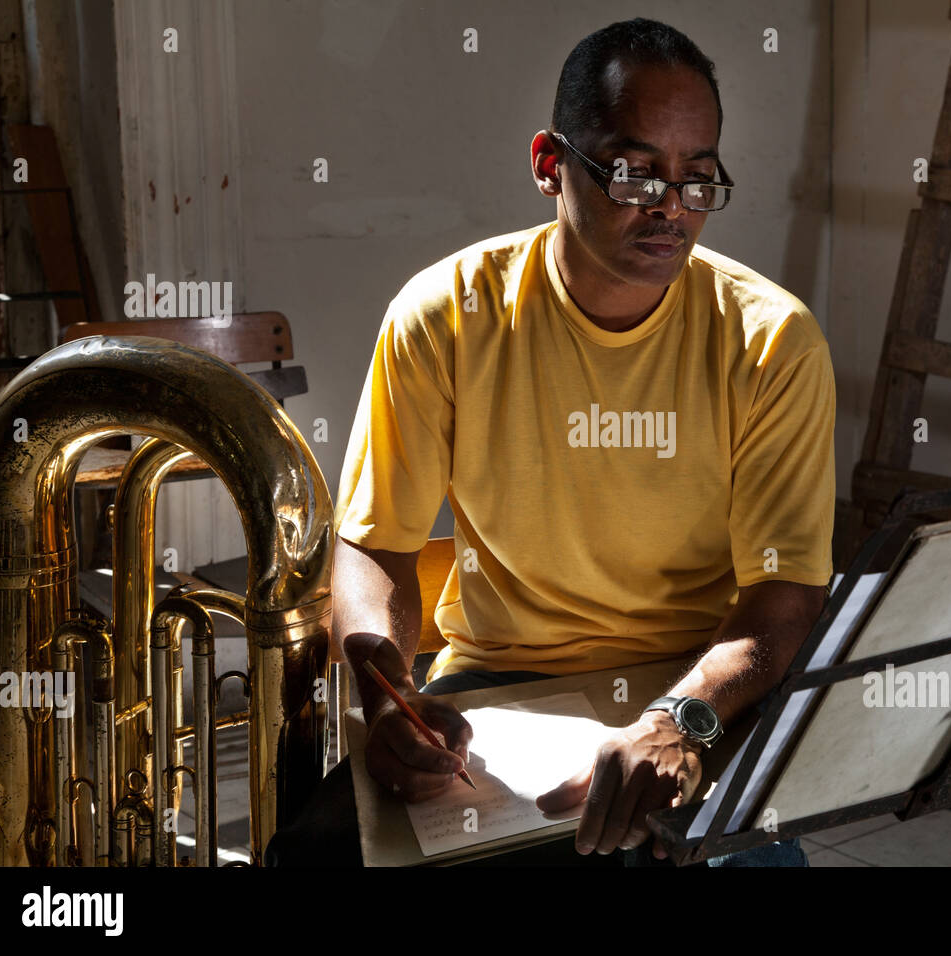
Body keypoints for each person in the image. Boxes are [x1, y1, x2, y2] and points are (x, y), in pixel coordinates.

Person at [332, 17, 834, 867]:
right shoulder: (446, 316)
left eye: (698, 180)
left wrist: (683, 721)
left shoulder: (771, 341)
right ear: (550, 165)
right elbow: (374, 544)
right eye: (636, 174)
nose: (671, 209)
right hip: (498, 688)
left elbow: (783, 601)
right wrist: (389, 706)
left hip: (701, 685)